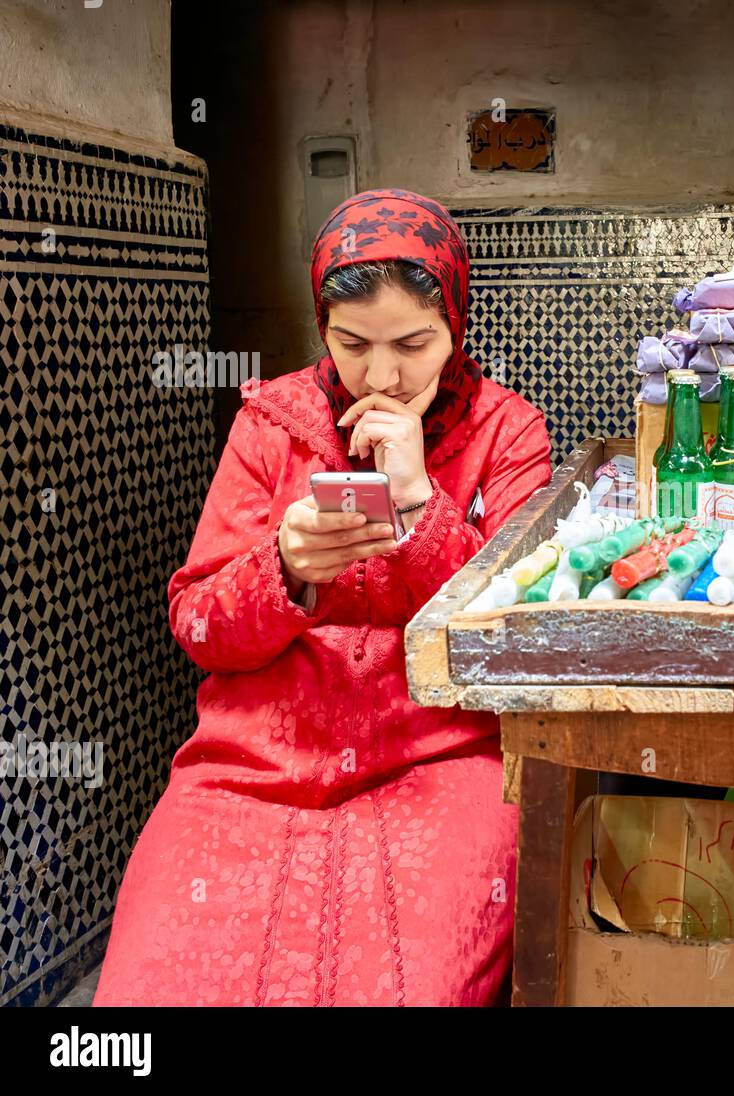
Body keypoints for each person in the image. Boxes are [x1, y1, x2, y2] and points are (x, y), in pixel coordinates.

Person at [93, 189, 552, 1006]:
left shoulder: (506, 434)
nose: (383, 375)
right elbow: (198, 624)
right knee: (155, 987)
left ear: (457, 322)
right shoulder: (272, 425)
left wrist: (420, 506)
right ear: (321, 330)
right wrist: (287, 570)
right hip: (256, 764)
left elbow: (516, 646)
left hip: (441, 759)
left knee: (416, 982)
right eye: (352, 344)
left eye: (415, 342)